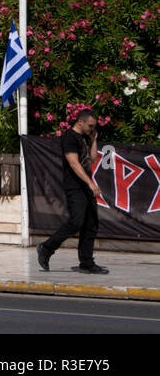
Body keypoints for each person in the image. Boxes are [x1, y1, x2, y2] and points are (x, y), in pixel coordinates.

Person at [37, 109, 109, 275]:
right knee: (76, 222)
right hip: (75, 186)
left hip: (86, 185)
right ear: (80, 122)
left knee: (91, 223)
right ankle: (46, 248)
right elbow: (74, 163)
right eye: (90, 126)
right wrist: (90, 183)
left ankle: (86, 262)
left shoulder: (86, 136)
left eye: (94, 127)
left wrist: (93, 140)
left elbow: (92, 159)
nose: (92, 128)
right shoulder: (69, 137)